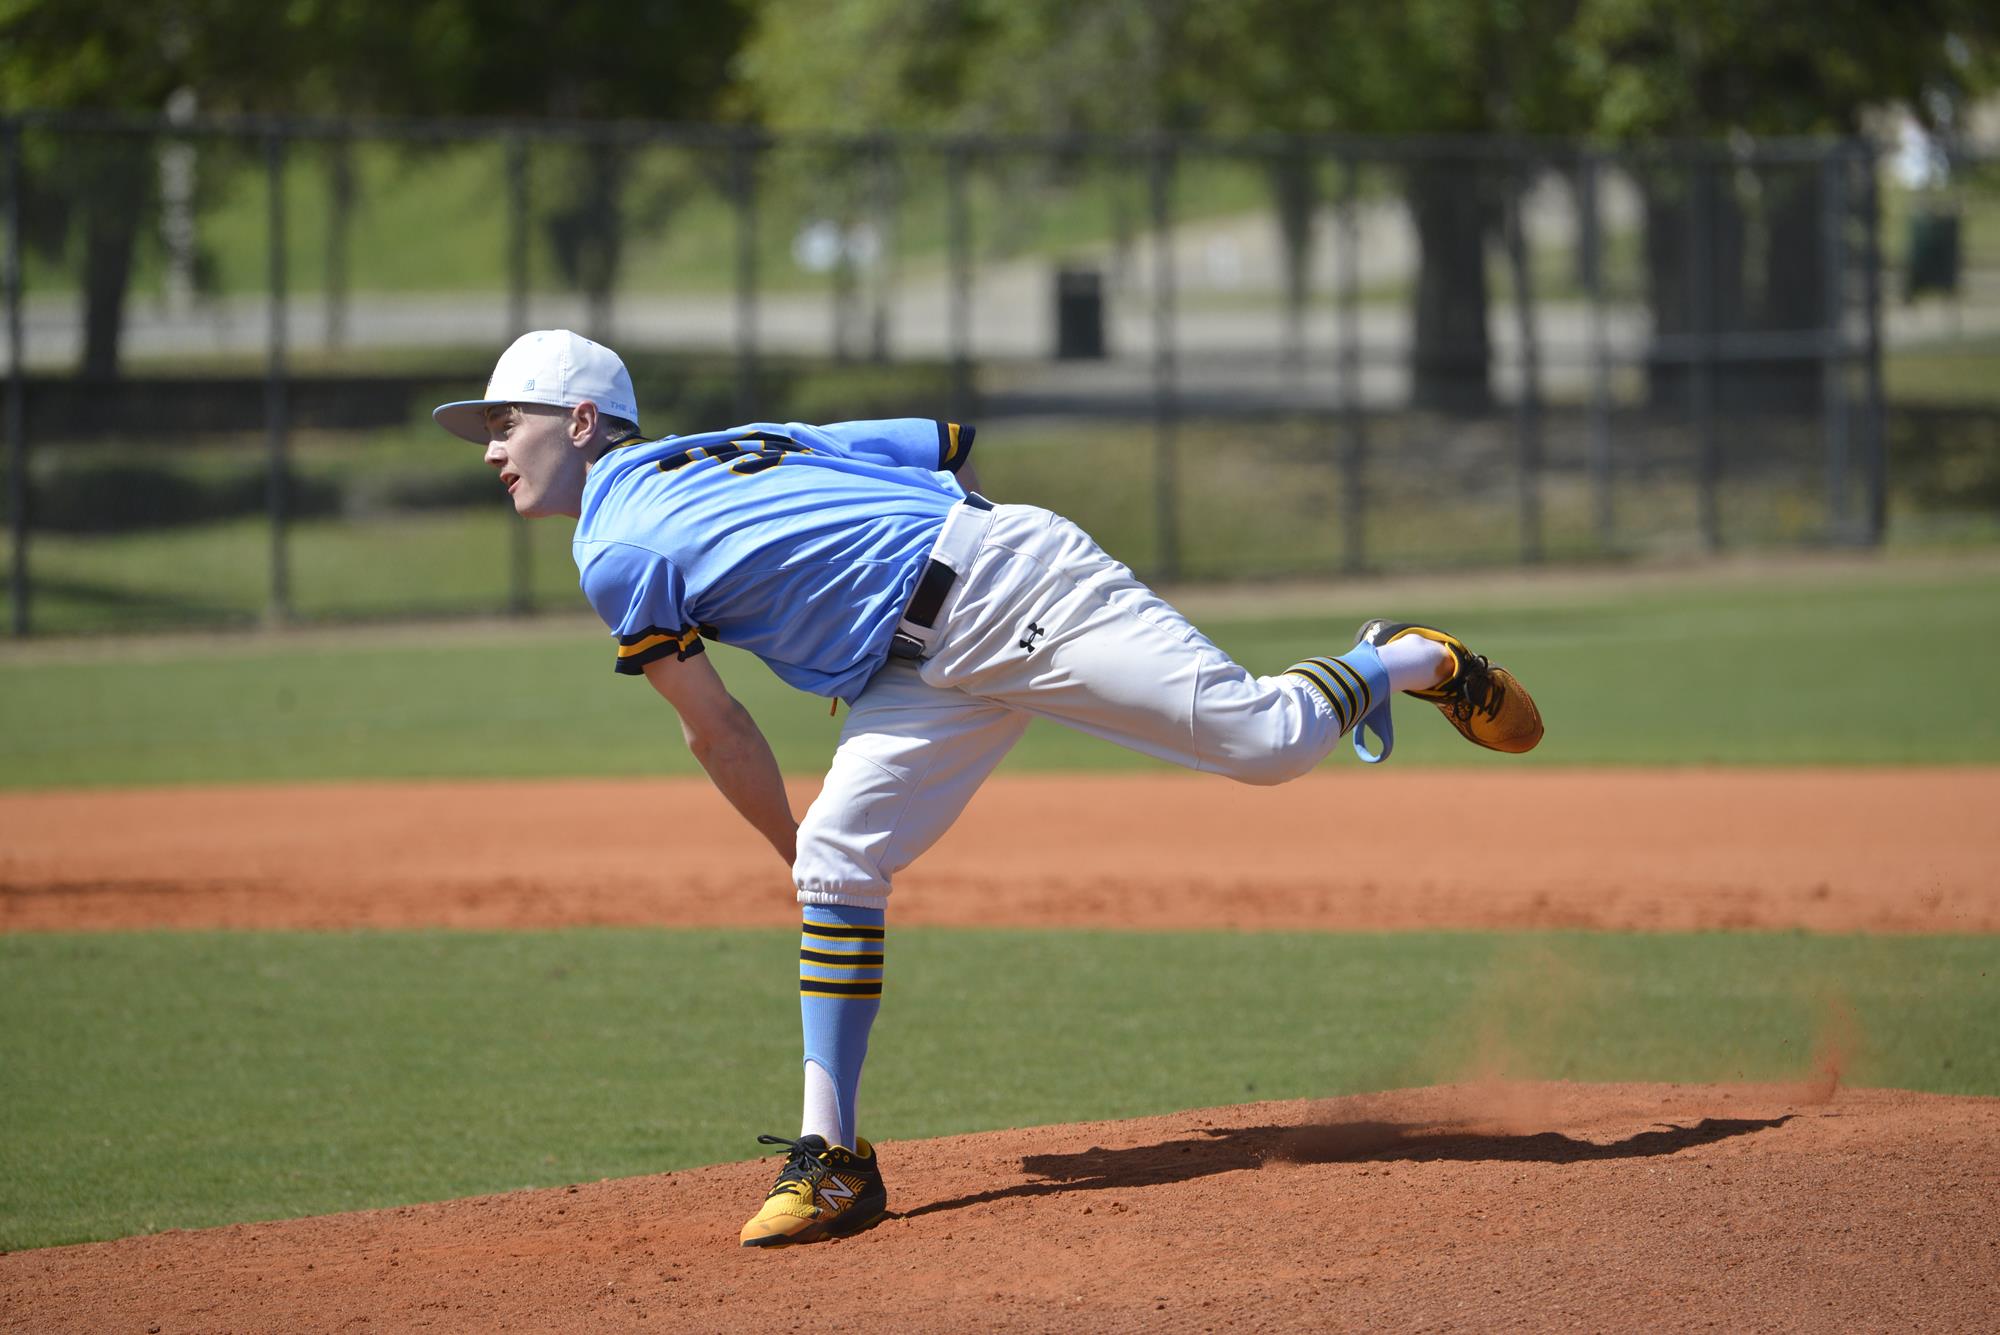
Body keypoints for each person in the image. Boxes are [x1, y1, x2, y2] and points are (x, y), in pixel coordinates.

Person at [433, 329, 1543, 1248]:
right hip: (919, 663)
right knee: (839, 858)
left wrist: (931, 582)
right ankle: (834, 1162)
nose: (489, 448)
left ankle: (1405, 657)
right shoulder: (729, 446)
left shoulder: (612, 549)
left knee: (1261, 741)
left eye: (504, 421)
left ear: (580, 421)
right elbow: (939, 445)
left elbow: (716, 729)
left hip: (1010, 590)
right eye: (485, 430)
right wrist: (865, 623)